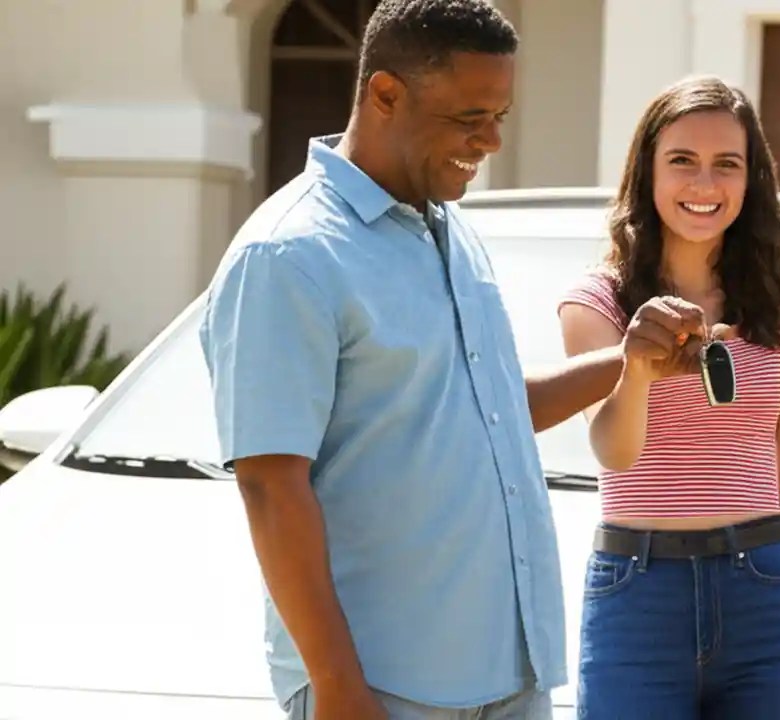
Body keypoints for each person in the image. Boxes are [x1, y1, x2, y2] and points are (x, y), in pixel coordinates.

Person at [198, 2, 709, 719]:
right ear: (385, 94)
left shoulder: (450, 229)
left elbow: (492, 408)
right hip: (382, 685)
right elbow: (270, 487)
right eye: (471, 117)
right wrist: (339, 689)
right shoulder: (289, 257)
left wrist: (629, 364)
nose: (493, 140)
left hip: (507, 672)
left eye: (501, 114)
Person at [557, 75, 780, 719]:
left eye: (727, 165)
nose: (705, 185)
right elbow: (614, 452)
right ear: (648, 172)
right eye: (682, 162)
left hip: (768, 596)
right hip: (637, 597)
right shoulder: (596, 303)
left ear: (752, 182)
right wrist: (637, 368)